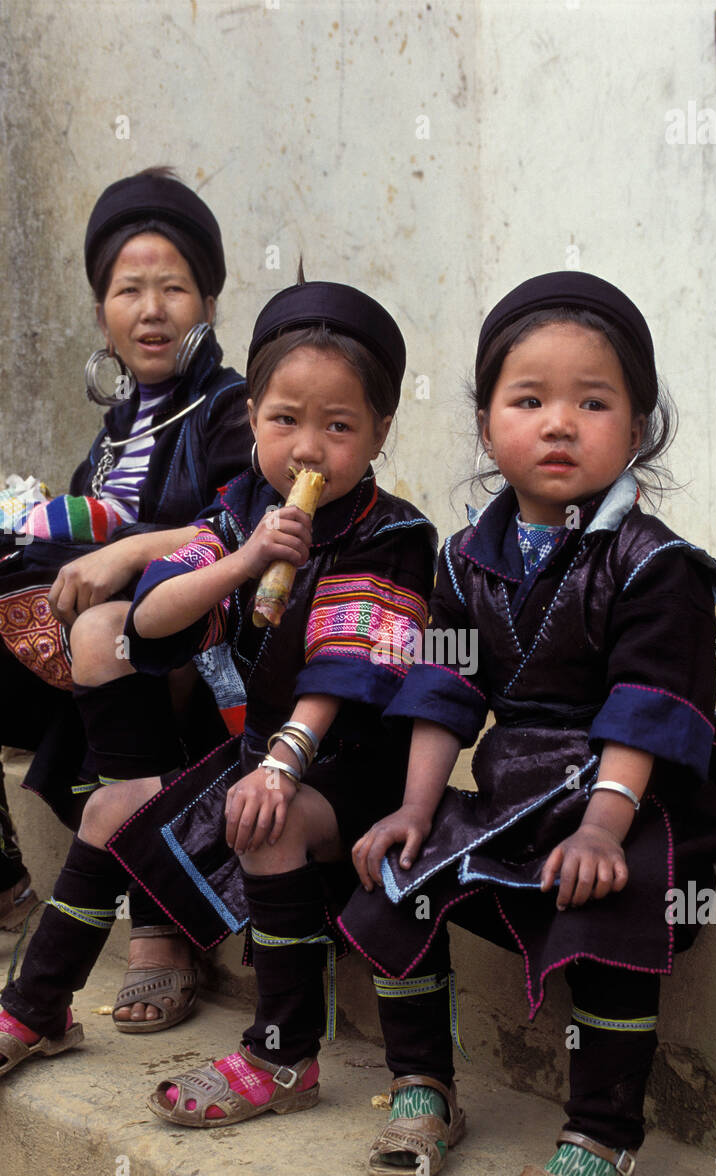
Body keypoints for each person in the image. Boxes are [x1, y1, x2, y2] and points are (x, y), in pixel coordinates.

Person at [338, 270, 716, 1176]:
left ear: (637, 425)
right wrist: (411, 806)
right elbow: (443, 692)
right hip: (520, 783)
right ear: (488, 424)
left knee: (608, 892)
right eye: (528, 400)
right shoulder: (460, 562)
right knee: (393, 869)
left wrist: (605, 826)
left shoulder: (653, 564)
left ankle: (600, 1134)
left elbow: (646, 706)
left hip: (636, 788)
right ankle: (421, 1084)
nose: (559, 423)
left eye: (592, 401)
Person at [0, 279, 438, 1121]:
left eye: (339, 426)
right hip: (260, 757)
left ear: (381, 430)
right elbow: (155, 619)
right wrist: (240, 565)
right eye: (284, 421)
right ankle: (36, 1010)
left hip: (352, 768)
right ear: (254, 418)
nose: (308, 450)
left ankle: (284, 1055)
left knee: (264, 818)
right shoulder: (241, 511)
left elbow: (343, 677)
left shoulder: (393, 537)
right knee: (107, 810)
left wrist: (279, 767)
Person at [0, 168, 252, 1031]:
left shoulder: (234, 411)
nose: (151, 310)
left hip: (206, 652)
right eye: (128, 290)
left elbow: (239, 530)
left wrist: (130, 556)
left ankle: (155, 923)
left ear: (210, 301)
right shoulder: (113, 439)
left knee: (115, 639)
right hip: (103, 658)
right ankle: (6, 883)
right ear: (102, 311)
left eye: (173, 288)